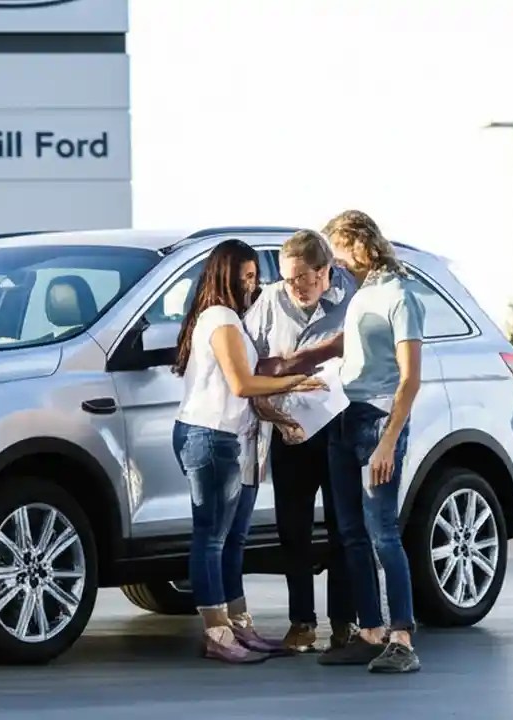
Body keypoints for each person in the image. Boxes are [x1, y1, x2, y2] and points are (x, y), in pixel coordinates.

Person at [171, 238, 327, 664]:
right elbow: (242, 384)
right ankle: (217, 634)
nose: (252, 286)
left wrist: (282, 419)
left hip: (239, 439)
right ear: (223, 276)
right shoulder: (219, 318)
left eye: (255, 277)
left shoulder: (236, 319)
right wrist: (296, 382)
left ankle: (239, 625)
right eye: (245, 277)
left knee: (233, 539)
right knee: (212, 538)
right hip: (211, 437)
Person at [315, 210, 425, 674]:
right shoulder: (362, 292)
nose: (333, 261)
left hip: (379, 422)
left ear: (358, 243)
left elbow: (410, 380)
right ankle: (370, 632)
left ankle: (402, 638)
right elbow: (348, 347)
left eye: (336, 250)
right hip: (345, 418)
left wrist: (388, 442)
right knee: (351, 534)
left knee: (383, 532)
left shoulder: (400, 296)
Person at [242, 229, 359, 655]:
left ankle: (345, 622)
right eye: (288, 279)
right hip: (289, 427)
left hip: (339, 426)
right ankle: (302, 623)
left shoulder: (354, 297)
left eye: (303, 279)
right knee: (293, 529)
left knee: (345, 528)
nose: (295, 288)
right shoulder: (271, 300)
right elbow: (253, 360)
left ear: (325, 271)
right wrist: (291, 365)